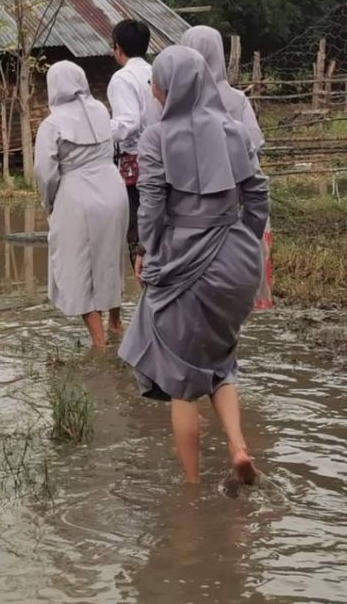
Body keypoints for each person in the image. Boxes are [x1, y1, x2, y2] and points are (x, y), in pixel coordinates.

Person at [118, 46, 270, 485]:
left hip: (183, 260)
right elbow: (258, 195)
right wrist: (240, 237)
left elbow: (151, 208)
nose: (152, 89)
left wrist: (146, 250)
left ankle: (190, 488)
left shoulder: (156, 137)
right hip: (238, 262)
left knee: (182, 379)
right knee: (221, 359)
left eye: (155, 82)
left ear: (168, 86)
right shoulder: (234, 131)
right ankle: (238, 446)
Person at [35, 61, 129, 347]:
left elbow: (44, 172)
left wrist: (49, 202)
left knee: (78, 268)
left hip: (77, 196)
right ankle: (115, 323)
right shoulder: (101, 110)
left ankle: (99, 344)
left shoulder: (52, 124)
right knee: (111, 258)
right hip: (114, 191)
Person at [182, 26, 273, 309]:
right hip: (239, 203)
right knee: (237, 291)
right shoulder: (236, 99)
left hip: (193, 208)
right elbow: (254, 146)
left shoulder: (178, 102)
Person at [107, 19, 155, 270]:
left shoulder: (122, 79)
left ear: (118, 47)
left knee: (138, 233)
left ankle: (148, 296)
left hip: (136, 162)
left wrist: (102, 129)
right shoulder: (155, 72)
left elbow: (128, 122)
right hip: (162, 158)